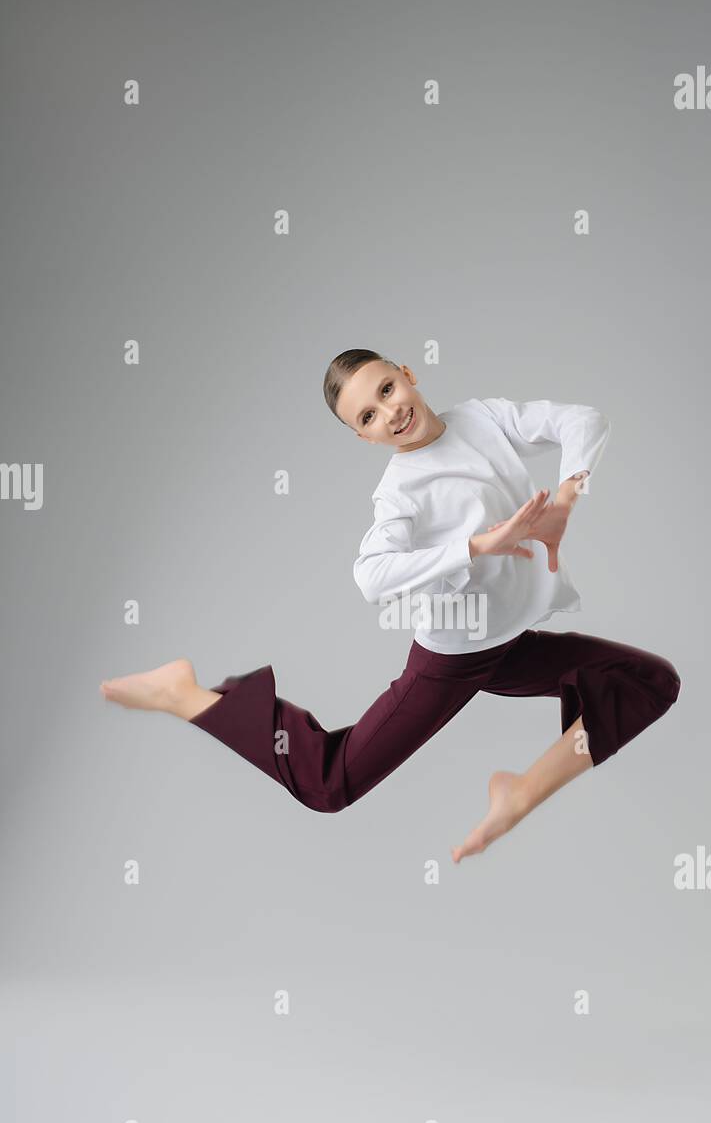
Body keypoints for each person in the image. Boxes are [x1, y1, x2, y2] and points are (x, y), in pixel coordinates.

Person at [100, 351, 681, 862]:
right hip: (453, 657)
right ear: (363, 438)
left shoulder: (482, 418)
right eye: (368, 418)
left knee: (649, 682)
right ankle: (187, 695)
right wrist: (479, 544)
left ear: (407, 373)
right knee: (329, 785)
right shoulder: (400, 491)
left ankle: (521, 792)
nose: (390, 413)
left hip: (507, 642)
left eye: (385, 390)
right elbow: (371, 577)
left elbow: (584, 421)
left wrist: (566, 496)